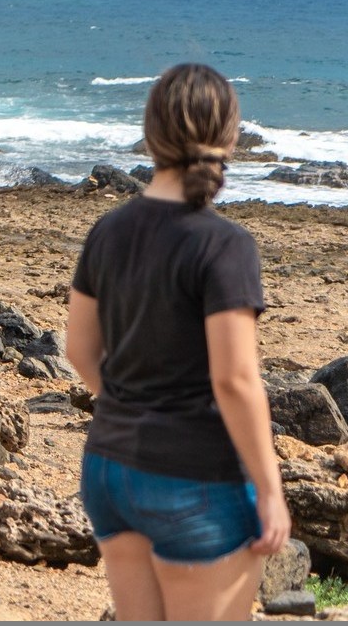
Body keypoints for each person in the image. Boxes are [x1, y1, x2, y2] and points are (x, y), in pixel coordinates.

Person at [65, 63, 289, 621]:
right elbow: (234, 379)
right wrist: (270, 489)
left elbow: (78, 350)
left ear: (151, 135)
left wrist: (129, 407)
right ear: (230, 138)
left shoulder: (107, 231)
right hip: (196, 479)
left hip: (109, 470)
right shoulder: (224, 245)